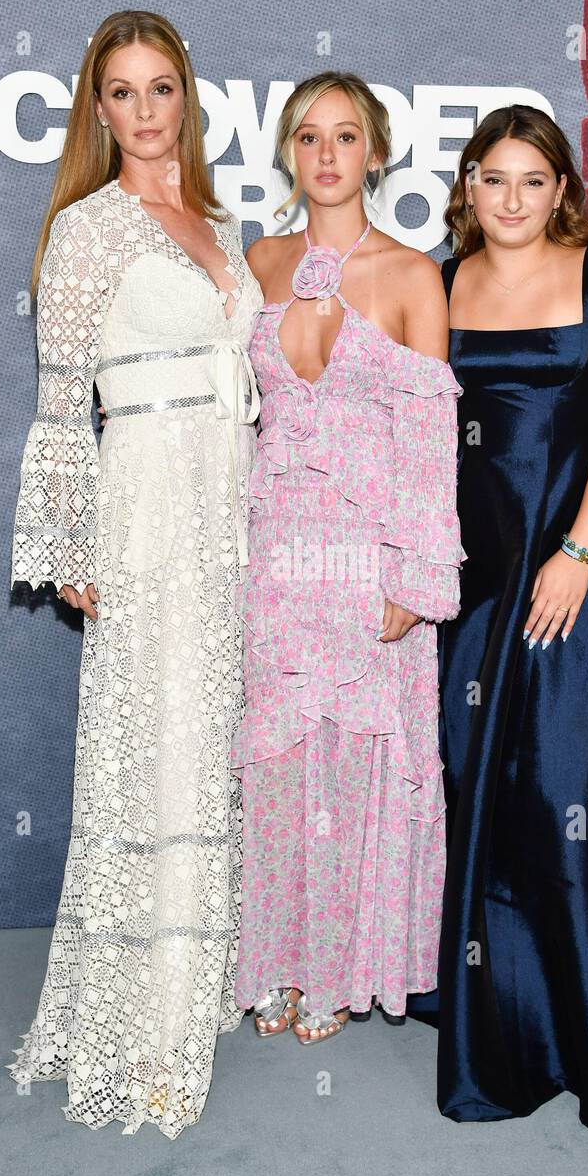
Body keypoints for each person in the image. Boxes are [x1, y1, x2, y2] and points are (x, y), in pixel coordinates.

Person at [407, 103, 588, 1132]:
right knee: (470, 778)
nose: (512, 200)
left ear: (563, 189)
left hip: (581, 566)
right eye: (493, 178)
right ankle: (489, 1000)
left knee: (565, 783)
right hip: (472, 574)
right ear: (468, 185)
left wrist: (577, 552)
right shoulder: (442, 281)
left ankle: (587, 1007)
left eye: (533, 181)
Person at [7, 10, 263, 1138]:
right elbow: (63, 409)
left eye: (164, 88)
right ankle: (138, 1017)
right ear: (97, 109)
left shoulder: (219, 217)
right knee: (150, 745)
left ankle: (199, 984)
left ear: (185, 100)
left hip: (228, 501)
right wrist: (71, 545)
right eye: (125, 91)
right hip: (148, 504)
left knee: (210, 740)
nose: (148, 110)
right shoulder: (85, 231)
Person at [229, 72, 465, 1043]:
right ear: (289, 152)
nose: (328, 155)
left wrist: (416, 577)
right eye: (310, 137)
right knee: (282, 768)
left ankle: (338, 972)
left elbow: (430, 440)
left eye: (346, 136)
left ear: (376, 152)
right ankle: (278, 964)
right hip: (277, 554)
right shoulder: (255, 260)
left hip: (368, 561)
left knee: (359, 768)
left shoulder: (413, 275)